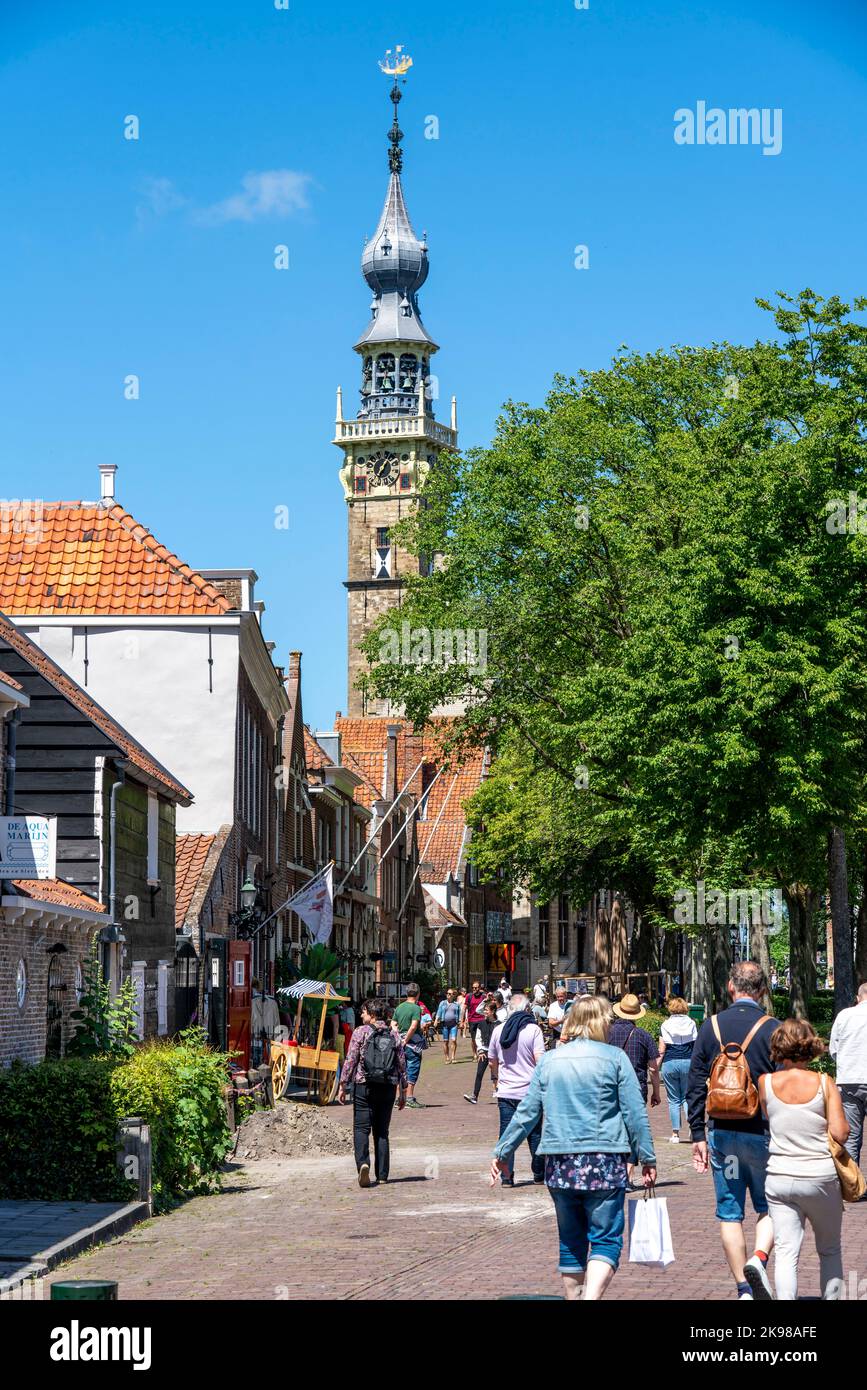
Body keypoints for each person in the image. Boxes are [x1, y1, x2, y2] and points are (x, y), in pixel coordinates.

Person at [491, 995, 657, 1300]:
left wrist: (503, 1152)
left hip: (560, 1162)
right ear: (601, 1022)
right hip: (604, 1161)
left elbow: (527, 1112)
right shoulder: (615, 1059)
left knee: (570, 1241)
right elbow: (635, 1113)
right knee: (606, 1240)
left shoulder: (551, 1061)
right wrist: (646, 1157)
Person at [687, 960, 780, 1301]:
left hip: (723, 1136)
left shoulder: (711, 1027)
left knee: (729, 1212)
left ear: (730, 987)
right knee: (770, 1207)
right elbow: (782, 1086)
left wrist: (698, 1133)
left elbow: (697, 1083)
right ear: (763, 990)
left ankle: (743, 1289)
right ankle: (759, 1259)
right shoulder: (773, 1028)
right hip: (762, 1135)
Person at [758, 1018, 848, 1300]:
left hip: (780, 1175)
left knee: (786, 1252)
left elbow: (768, 1118)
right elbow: (840, 1133)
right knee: (829, 1249)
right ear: (810, 1045)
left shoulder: (766, 1082)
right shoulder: (824, 1082)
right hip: (820, 1175)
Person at [338, 998, 407, 1187]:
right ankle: (383, 1175)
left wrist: (343, 1084)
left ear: (372, 1014)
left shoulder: (361, 1032)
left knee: (361, 1128)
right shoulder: (394, 1035)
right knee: (382, 1131)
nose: (361, 1015)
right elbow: (401, 1063)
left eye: (364, 1012)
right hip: (388, 1086)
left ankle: (363, 1163)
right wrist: (403, 1090)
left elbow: (351, 1058)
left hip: (364, 1084)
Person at [488, 994, 546, 1186]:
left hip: (506, 1091)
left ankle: (507, 1177)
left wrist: (496, 1079)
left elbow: (492, 1061)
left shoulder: (498, 1030)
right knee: (535, 1133)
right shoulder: (533, 1030)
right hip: (530, 1091)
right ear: (527, 1009)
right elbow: (540, 1061)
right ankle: (539, 1174)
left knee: (507, 1133)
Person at [829, 980, 867, 1165]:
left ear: (858, 998)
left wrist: (846, 1064)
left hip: (849, 1080)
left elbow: (834, 1049)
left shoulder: (844, 1015)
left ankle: (855, 1188)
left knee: (851, 1137)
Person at [608, 994, 662, 1111]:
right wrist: (656, 1093)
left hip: (612, 1086)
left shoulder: (606, 1032)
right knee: (636, 1126)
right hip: (637, 1087)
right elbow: (653, 1069)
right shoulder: (644, 1035)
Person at [658, 996, 698, 1142]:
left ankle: (675, 1134)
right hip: (688, 1061)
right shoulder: (692, 1023)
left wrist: (656, 1067)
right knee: (688, 1097)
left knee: (673, 1099)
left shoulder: (665, 1024)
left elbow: (662, 1048)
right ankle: (692, 1129)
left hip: (670, 1062)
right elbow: (695, 1045)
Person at [393, 982, 426, 1109]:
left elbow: (393, 1024)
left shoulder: (399, 1007)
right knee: (413, 1068)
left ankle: (398, 1098)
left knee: (400, 1069)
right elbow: (413, 1026)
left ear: (407, 993)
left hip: (399, 1043)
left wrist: (398, 1037)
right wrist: (406, 1039)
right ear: (418, 994)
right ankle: (409, 1098)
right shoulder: (416, 1008)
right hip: (412, 1044)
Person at [464, 998, 499, 1104]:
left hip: (496, 1053)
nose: (484, 1012)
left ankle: (501, 1095)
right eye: (484, 1010)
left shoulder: (499, 1024)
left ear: (492, 1011)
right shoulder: (481, 1023)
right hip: (484, 1051)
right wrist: (480, 1050)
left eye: (487, 1010)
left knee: (497, 1074)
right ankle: (474, 1096)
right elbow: (478, 1038)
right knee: (479, 1073)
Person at [461, 979, 487, 1057]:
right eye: (473, 988)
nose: (474, 989)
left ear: (479, 988)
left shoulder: (483, 996)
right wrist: (461, 1021)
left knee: (482, 1037)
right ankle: (474, 1054)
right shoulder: (469, 996)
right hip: (472, 1020)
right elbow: (464, 1008)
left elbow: (487, 1007)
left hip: (482, 1019)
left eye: (476, 988)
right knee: (473, 1038)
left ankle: (482, 1052)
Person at [435, 989, 461, 1063]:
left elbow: (459, 1014)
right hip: (445, 1025)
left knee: (454, 1040)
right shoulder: (442, 1003)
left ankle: (453, 1057)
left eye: (450, 994)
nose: (448, 995)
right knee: (445, 1041)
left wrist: (460, 1022)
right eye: (447, 993)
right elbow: (439, 1012)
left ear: (453, 995)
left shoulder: (456, 1004)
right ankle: (447, 1057)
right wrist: (436, 1020)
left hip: (454, 1025)